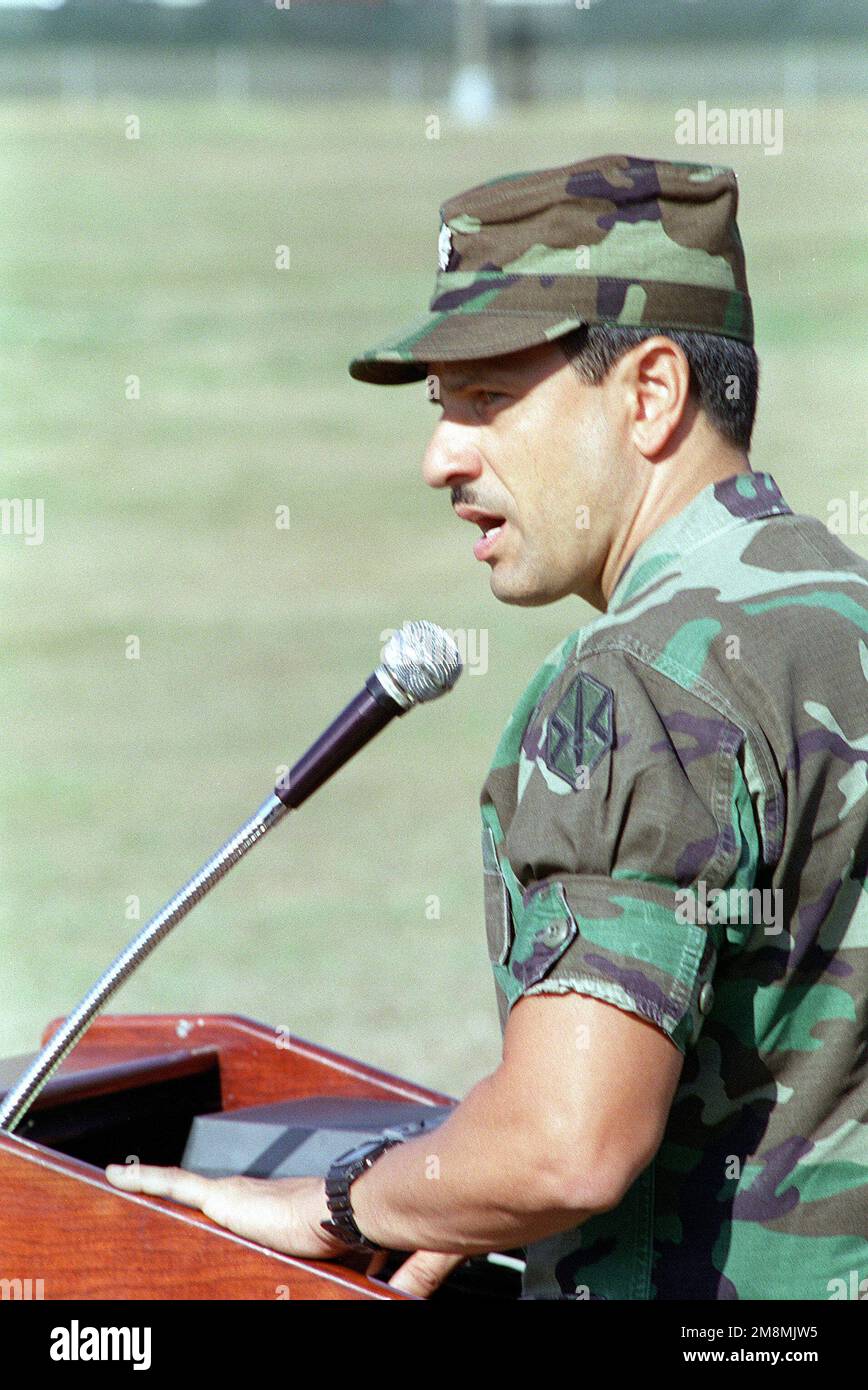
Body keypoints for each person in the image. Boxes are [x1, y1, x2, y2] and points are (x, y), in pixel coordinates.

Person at [107, 154, 868, 1301]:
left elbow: (568, 1147)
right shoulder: (832, 606)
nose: (439, 457)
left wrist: (331, 1201)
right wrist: (459, 1186)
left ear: (650, 393)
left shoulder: (636, 681)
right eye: (439, 407)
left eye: (486, 398)